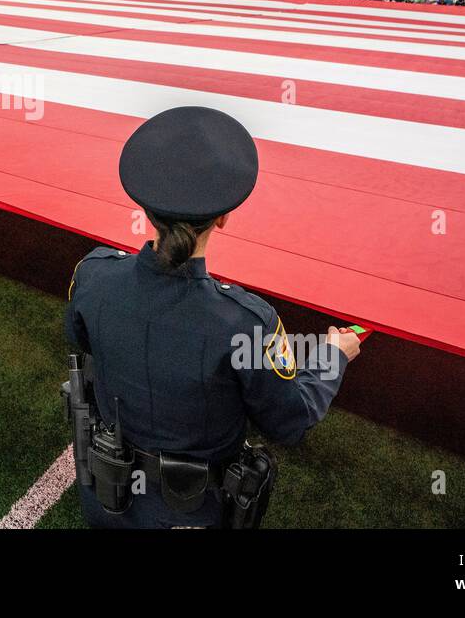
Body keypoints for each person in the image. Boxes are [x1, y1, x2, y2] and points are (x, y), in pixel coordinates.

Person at [64, 106, 361, 529]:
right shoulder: (247, 322)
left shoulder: (92, 274)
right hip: (191, 514)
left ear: (146, 210)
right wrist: (333, 356)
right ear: (223, 217)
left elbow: (79, 341)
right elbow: (289, 420)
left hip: (103, 497)